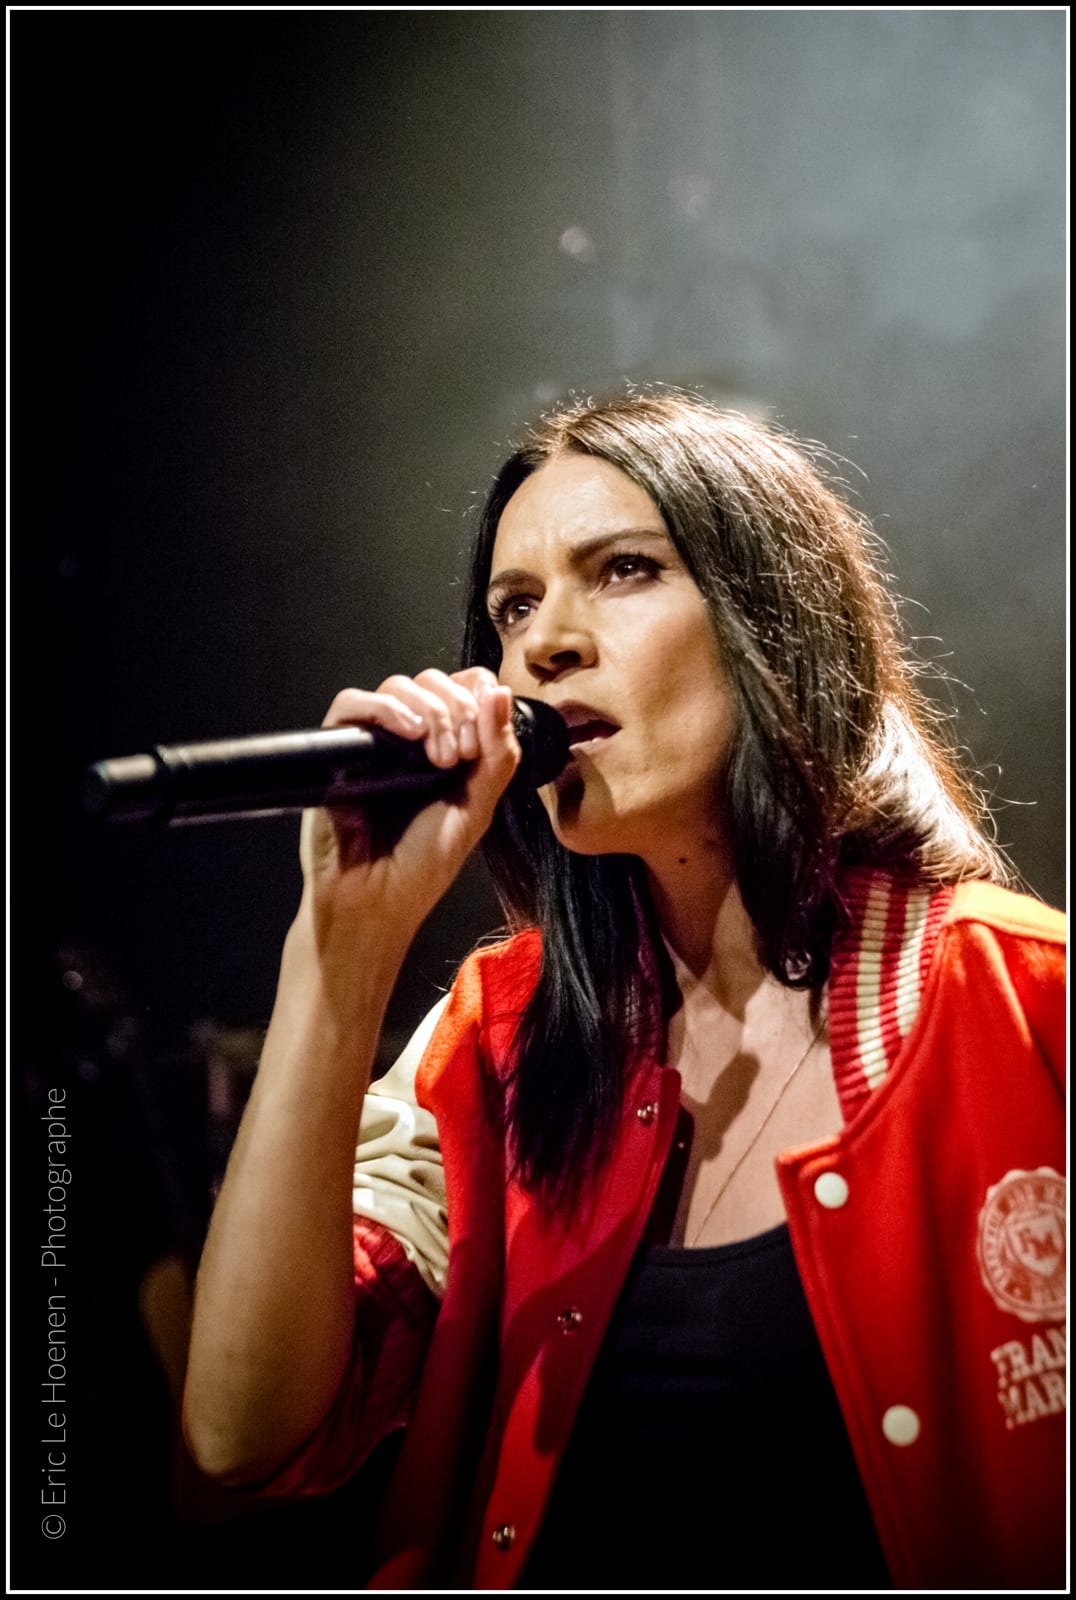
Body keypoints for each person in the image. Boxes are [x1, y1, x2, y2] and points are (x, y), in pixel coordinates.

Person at [183, 390, 1066, 1591]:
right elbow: (243, 1434)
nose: (542, 643)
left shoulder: (1022, 1000)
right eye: (512, 606)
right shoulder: (498, 1040)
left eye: (623, 570)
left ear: (772, 620)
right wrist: (340, 954)